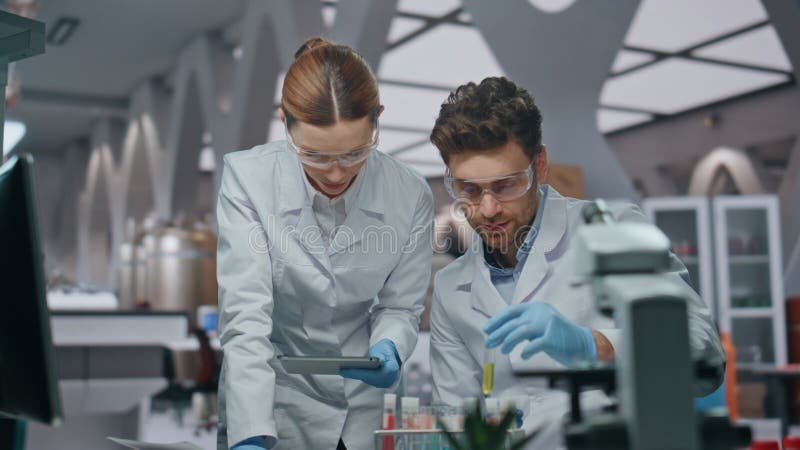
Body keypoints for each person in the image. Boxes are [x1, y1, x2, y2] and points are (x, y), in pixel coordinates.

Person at [427, 77, 724, 448]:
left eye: (506, 186)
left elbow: (704, 352)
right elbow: (458, 423)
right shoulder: (451, 287)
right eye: (468, 190)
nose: (487, 209)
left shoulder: (613, 230)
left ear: (541, 164)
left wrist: (593, 344)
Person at [216, 37, 434, 450]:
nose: (336, 173)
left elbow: (399, 306)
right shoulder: (247, 179)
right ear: (285, 123)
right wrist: (250, 433)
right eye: (314, 156)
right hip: (275, 400)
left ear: (378, 120)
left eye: (355, 153)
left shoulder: (410, 193)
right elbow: (245, 318)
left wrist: (390, 344)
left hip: (361, 404)